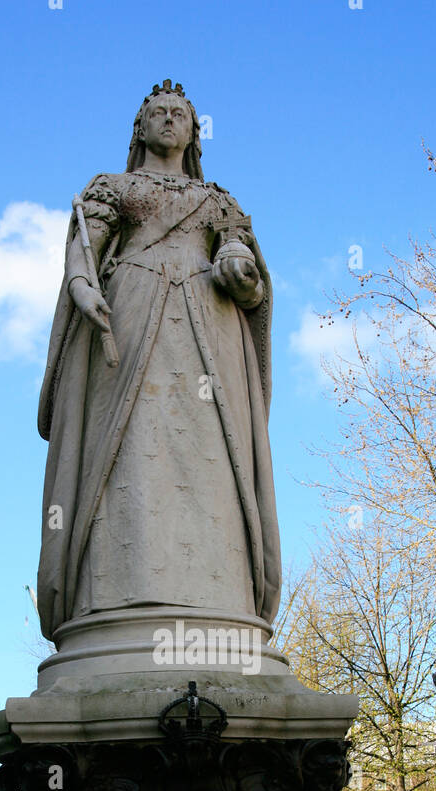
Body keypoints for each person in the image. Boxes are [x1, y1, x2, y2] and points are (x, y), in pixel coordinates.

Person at [36, 79, 281, 640]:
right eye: (159, 112)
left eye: (180, 114)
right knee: (124, 448)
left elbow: (240, 256)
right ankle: (117, 587)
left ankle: (217, 592)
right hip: (129, 317)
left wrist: (239, 269)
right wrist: (81, 284)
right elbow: (83, 251)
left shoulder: (218, 200)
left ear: (194, 132)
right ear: (140, 128)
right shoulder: (113, 187)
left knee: (212, 452)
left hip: (209, 329)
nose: (170, 119)